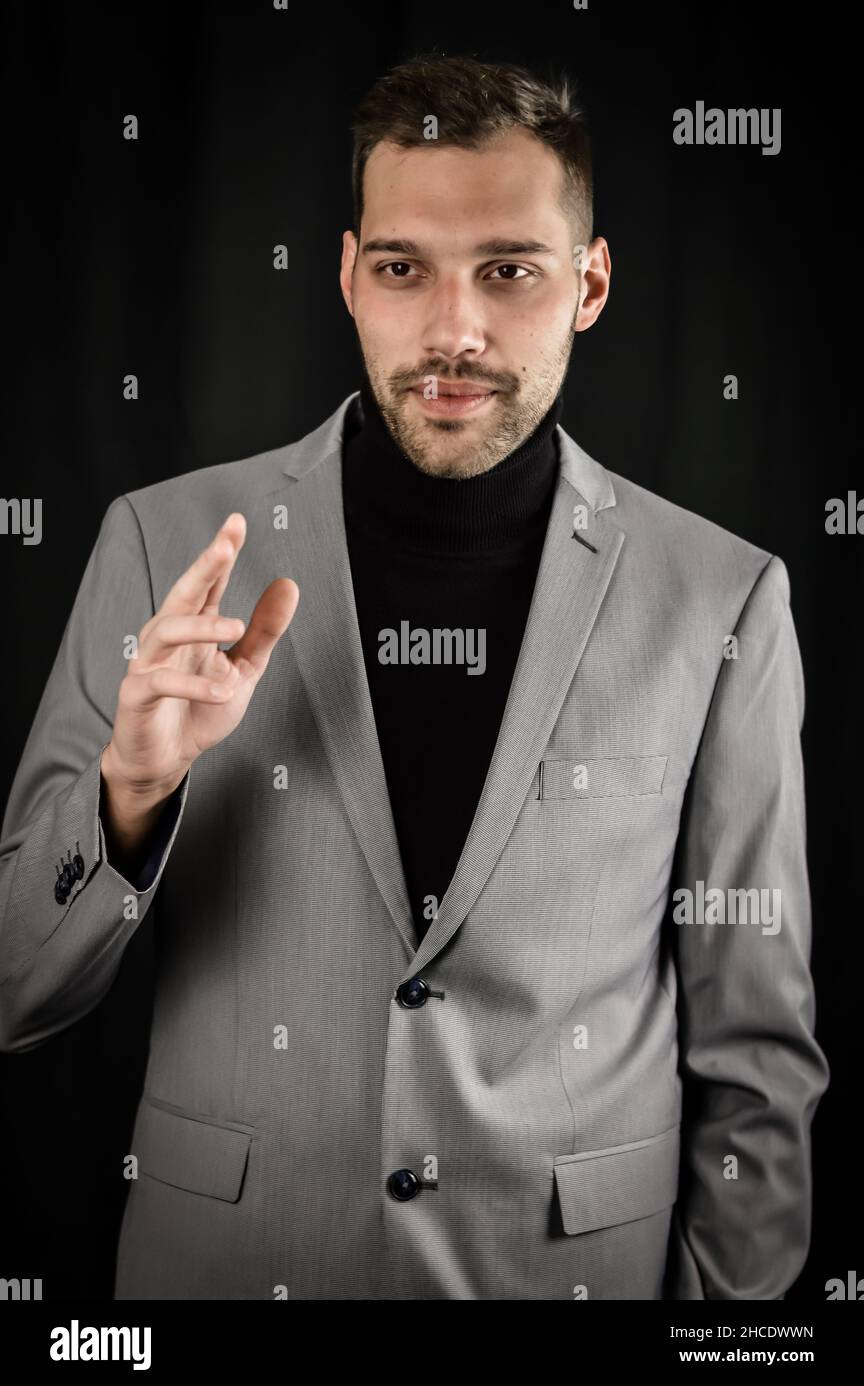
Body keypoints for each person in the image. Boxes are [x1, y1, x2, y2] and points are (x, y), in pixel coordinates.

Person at [0, 53, 829, 1300]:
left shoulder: (724, 598)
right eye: (404, 269)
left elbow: (759, 1059)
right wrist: (129, 794)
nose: (454, 328)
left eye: (510, 269)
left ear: (589, 284)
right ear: (348, 277)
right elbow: (18, 989)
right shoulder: (162, 547)